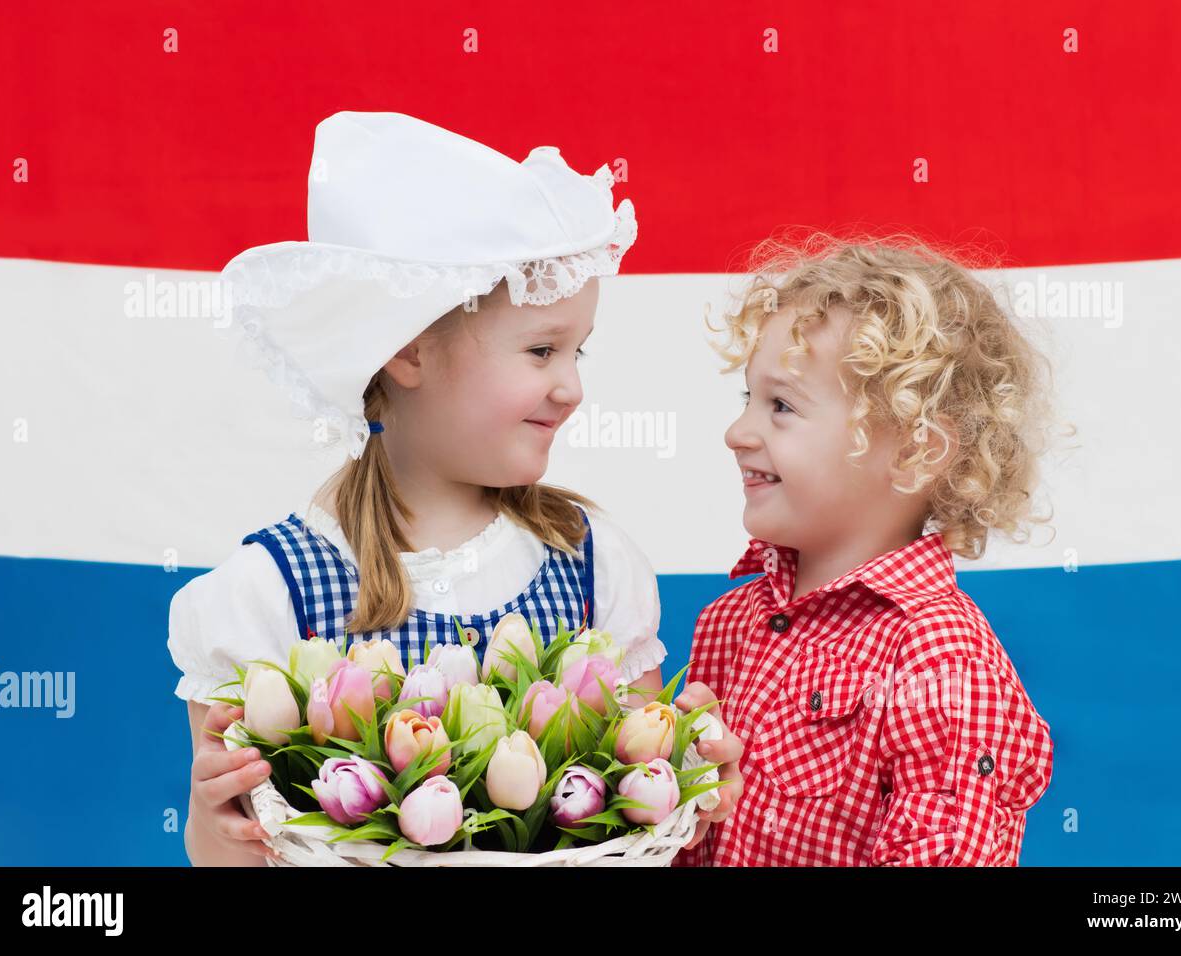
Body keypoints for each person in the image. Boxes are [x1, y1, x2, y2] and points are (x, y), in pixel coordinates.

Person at [167, 111, 742, 866]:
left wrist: (689, 785)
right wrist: (217, 831)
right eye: (540, 350)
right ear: (407, 352)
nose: (570, 388)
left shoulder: (590, 562)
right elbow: (230, 849)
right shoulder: (268, 597)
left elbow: (638, 815)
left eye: (577, 352)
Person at [672, 234, 1058, 866]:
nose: (737, 432)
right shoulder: (727, 623)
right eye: (749, 399)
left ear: (915, 451)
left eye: (782, 406)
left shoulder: (941, 658)